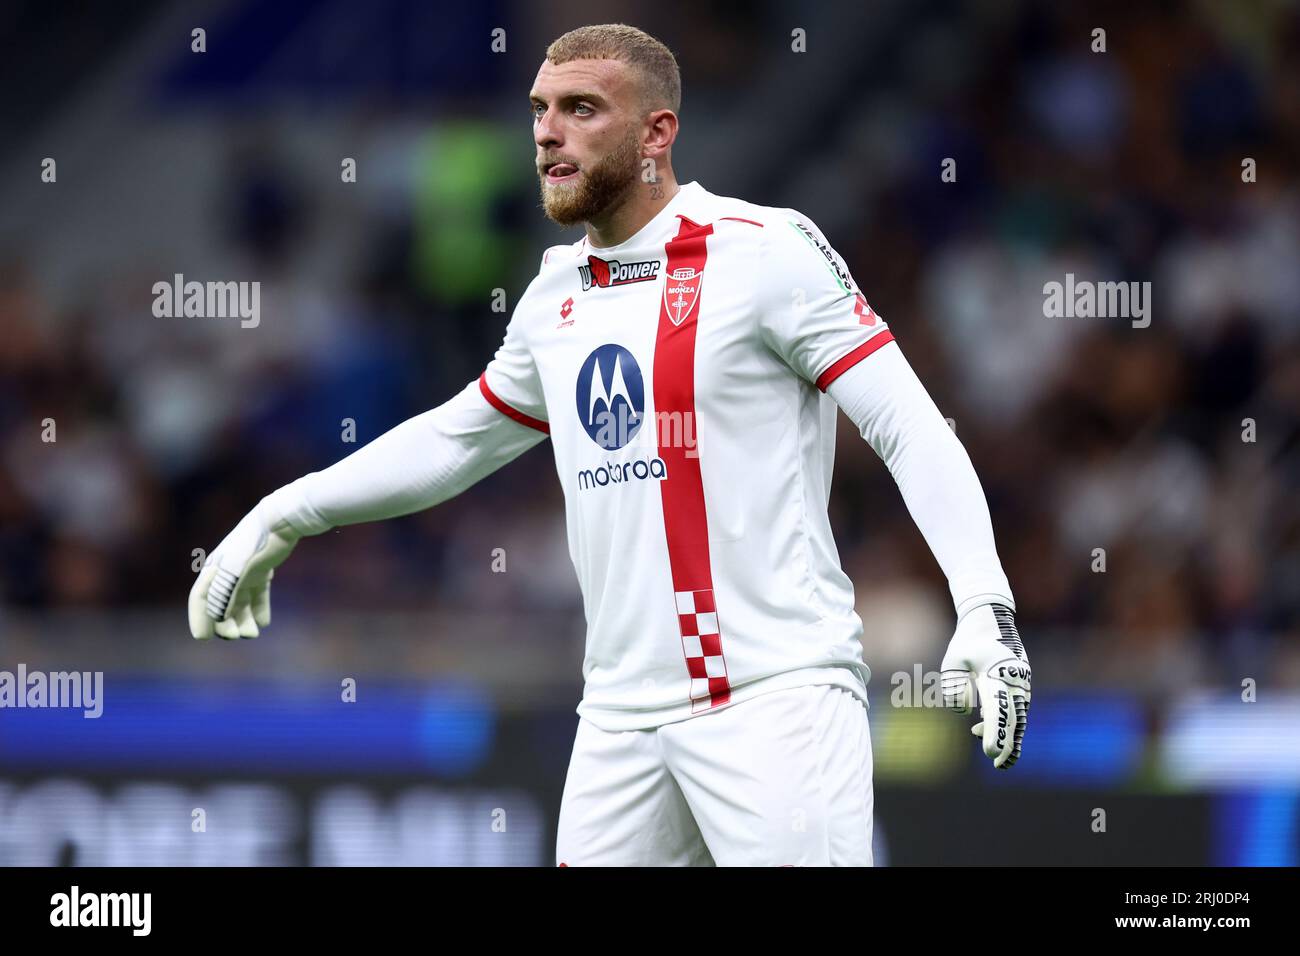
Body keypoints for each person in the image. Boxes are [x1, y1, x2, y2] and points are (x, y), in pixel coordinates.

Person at [189, 23, 1031, 866]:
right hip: (619, 721)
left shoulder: (767, 251)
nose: (548, 131)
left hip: (774, 701)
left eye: (581, 109)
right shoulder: (556, 296)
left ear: (656, 133)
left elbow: (907, 424)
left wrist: (984, 606)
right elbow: (453, 441)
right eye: (540, 110)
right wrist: (287, 510)